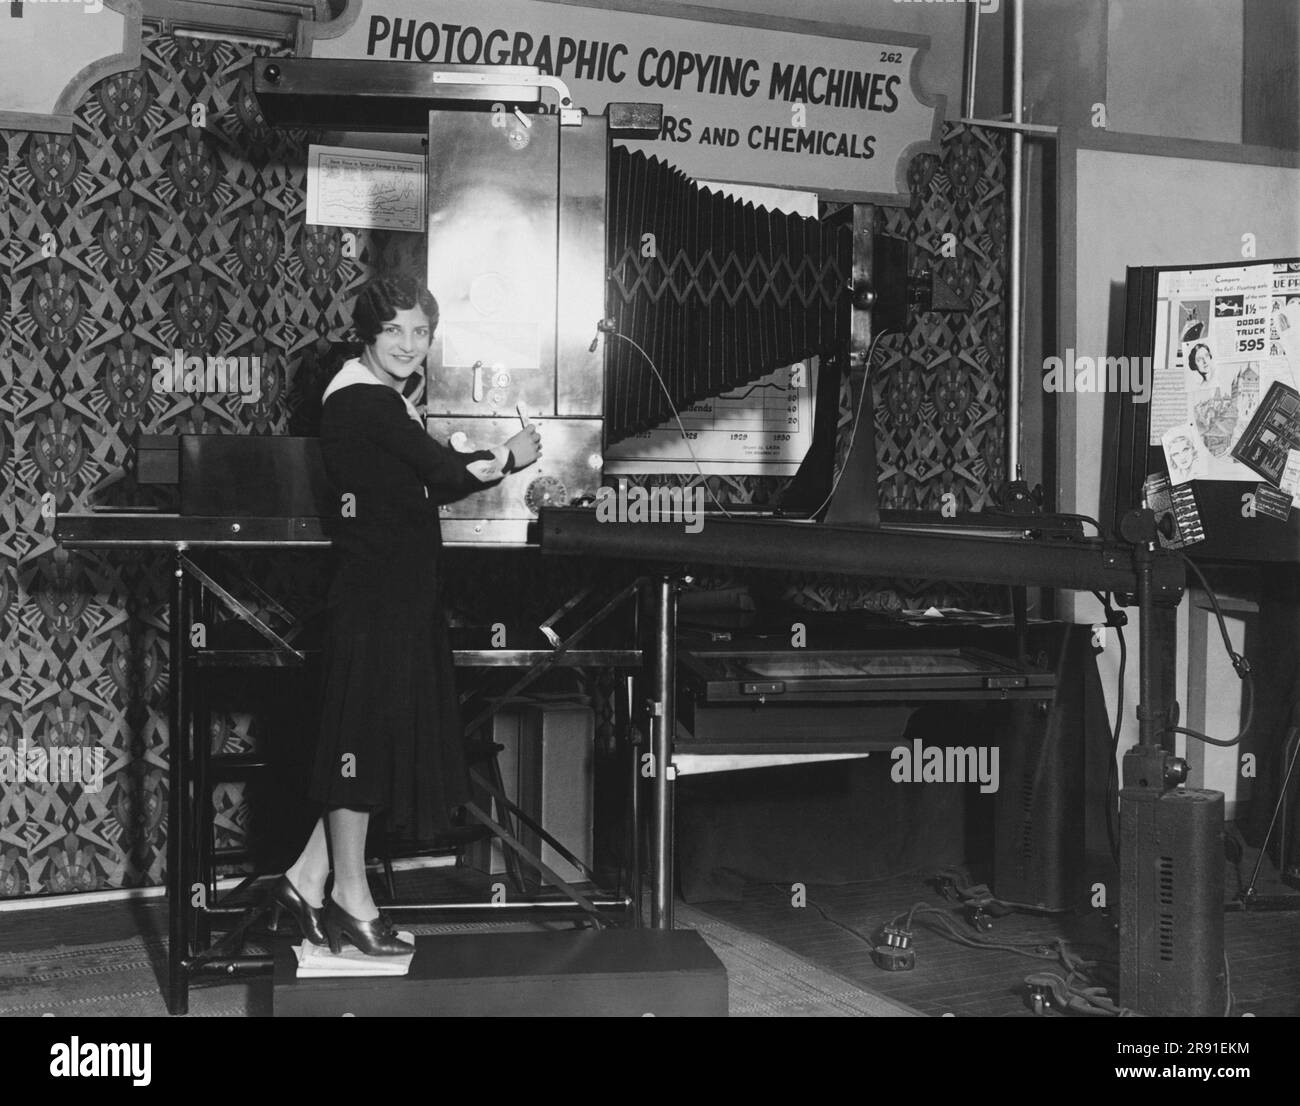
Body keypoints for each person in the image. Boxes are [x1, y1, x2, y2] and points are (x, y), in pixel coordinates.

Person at [269, 276, 541, 955]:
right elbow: (445, 474)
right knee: (359, 746)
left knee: (372, 739)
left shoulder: (375, 396)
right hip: (377, 597)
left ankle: (306, 880)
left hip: (393, 592)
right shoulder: (364, 399)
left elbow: (411, 487)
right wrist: (511, 456)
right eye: (395, 330)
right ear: (369, 332)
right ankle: (349, 900)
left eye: (421, 332)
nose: (410, 345)